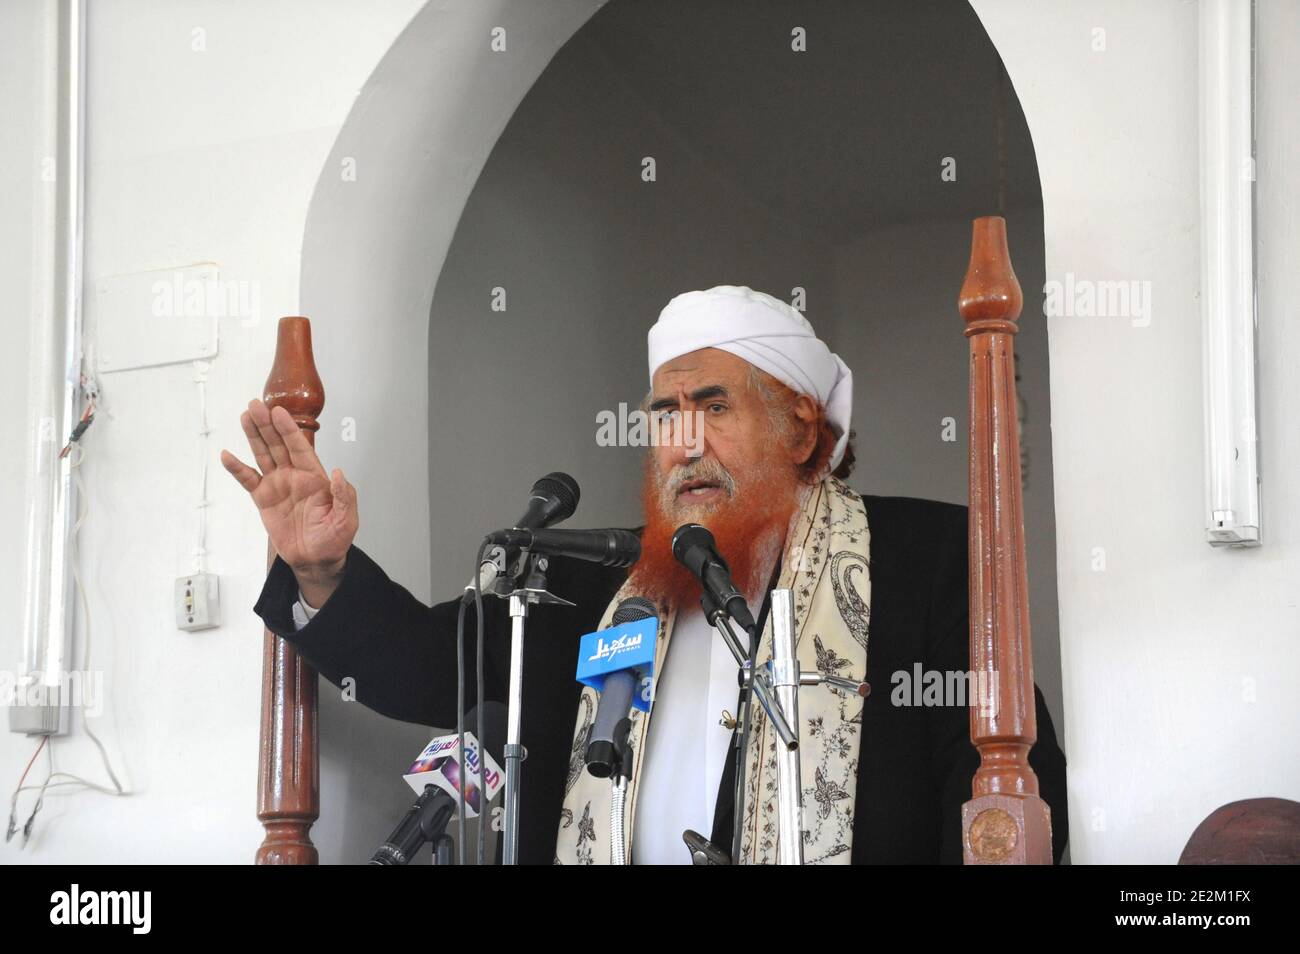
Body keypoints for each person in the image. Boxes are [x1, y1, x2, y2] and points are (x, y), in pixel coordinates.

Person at [221, 285, 1068, 865]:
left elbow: (1006, 784)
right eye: (665, 413)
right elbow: (427, 663)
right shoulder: (598, 579)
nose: (683, 441)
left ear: (805, 432)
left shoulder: (927, 561)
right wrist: (320, 566)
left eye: (715, 405)